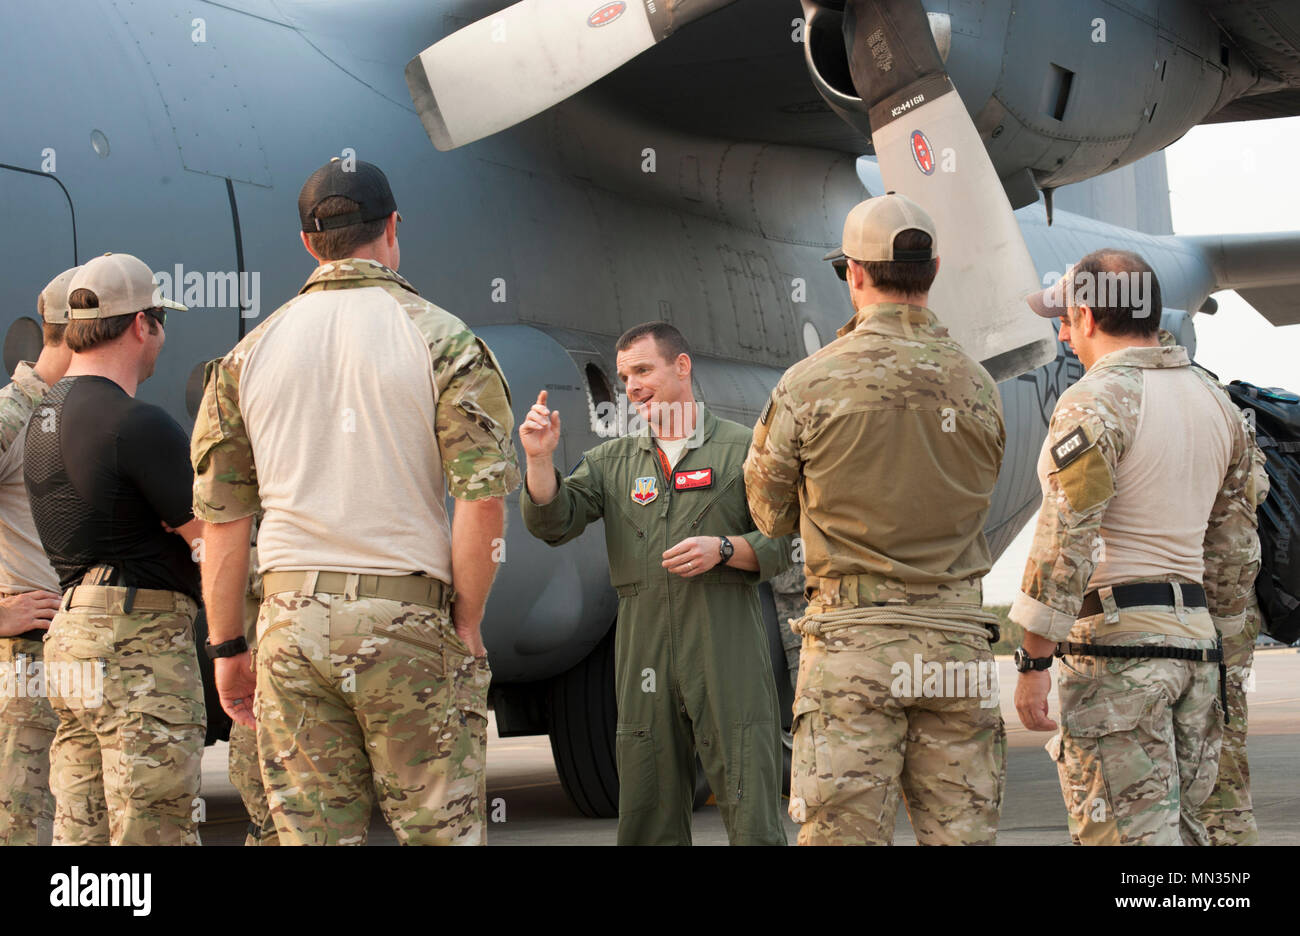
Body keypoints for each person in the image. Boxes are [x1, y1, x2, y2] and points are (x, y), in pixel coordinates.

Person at [192, 157, 520, 846]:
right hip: (407, 615)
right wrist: (465, 620)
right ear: (393, 229)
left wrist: (227, 647)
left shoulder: (246, 358)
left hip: (288, 626)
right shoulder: (446, 341)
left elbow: (222, 525)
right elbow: (480, 503)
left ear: (310, 244)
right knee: (439, 828)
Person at [745, 192, 1007, 846]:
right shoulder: (979, 386)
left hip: (855, 648)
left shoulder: (809, 383)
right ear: (934, 270)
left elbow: (769, 516)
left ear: (854, 274)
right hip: (957, 646)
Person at [1012, 249, 1259, 846]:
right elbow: (1233, 551)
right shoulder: (1215, 402)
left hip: (1121, 655)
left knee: (1128, 848)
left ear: (1091, 317)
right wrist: (1221, 655)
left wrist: (1034, 660)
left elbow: (1065, 533)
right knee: (1190, 841)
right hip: (1196, 653)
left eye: (1066, 319)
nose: (1064, 334)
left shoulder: (1093, 401)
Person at [519, 321, 791, 846]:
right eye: (625, 377)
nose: (633, 386)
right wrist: (538, 459)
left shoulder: (743, 452)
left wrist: (726, 549)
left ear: (681, 366)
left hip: (726, 650)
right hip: (644, 656)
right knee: (646, 812)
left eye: (644, 370)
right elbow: (554, 522)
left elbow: (783, 541)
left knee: (751, 809)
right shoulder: (611, 463)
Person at [23, 252, 204, 846]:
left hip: (70, 635)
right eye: (160, 320)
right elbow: (212, 538)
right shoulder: (138, 424)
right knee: (154, 828)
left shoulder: (41, 418)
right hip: (136, 646)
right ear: (139, 324)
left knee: (82, 837)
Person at [0, 268, 77, 845]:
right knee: (22, 828)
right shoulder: (14, 415)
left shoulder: (83, 411)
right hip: (27, 654)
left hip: (80, 648)